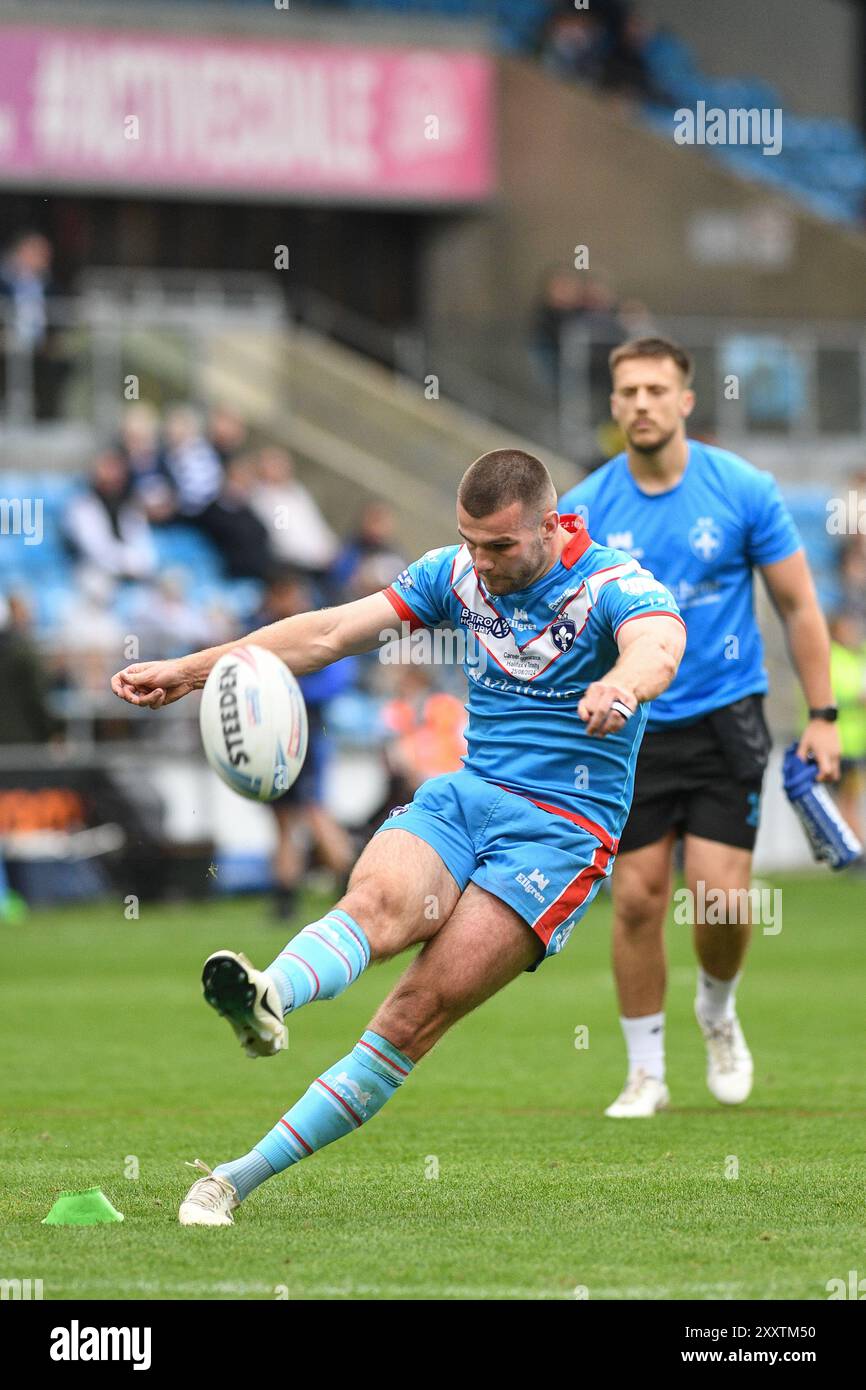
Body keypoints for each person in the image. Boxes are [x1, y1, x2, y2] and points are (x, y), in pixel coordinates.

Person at [111, 448, 685, 1226]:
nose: (479, 563)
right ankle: (268, 996)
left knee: (412, 1013)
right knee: (375, 901)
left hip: (559, 838)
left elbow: (659, 644)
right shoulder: (453, 574)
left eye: (499, 547)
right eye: (469, 542)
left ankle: (234, 1179)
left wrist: (621, 684)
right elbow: (331, 631)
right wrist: (194, 668)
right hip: (467, 795)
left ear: (550, 526)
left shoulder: (614, 584)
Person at [560, 337, 841, 1118]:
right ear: (613, 407)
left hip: (726, 718)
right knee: (640, 900)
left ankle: (716, 1011)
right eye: (628, 392)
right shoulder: (583, 510)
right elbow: (567, 629)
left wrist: (822, 718)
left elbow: (798, 607)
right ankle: (645, 1072)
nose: (642, 403)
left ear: (686, 400)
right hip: (630, 729)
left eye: (656, 389)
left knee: (719, 901)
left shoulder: (744, 488)